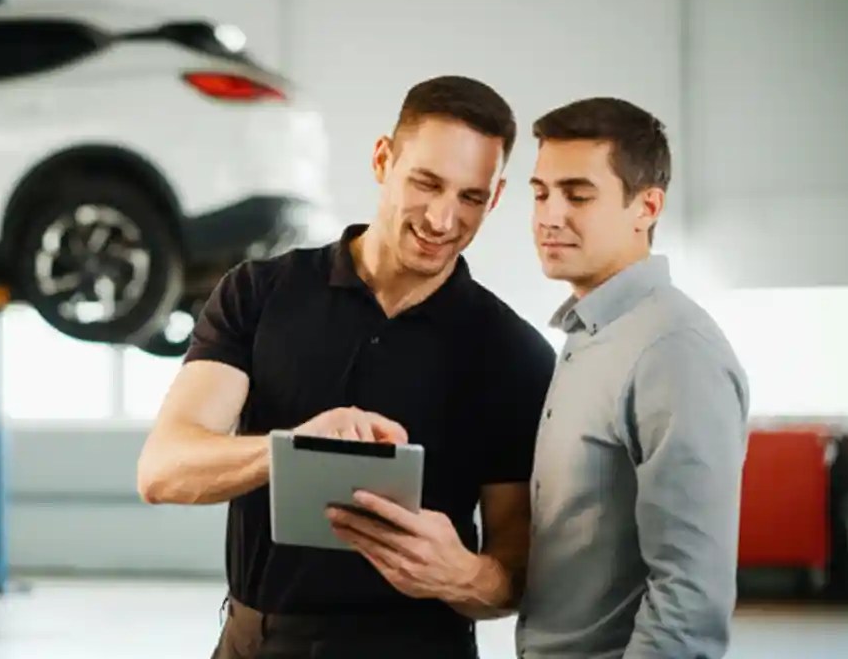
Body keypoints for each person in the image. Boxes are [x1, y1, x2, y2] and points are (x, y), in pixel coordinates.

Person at [136, 75, 557, 659]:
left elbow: (515, 573)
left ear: (497, 195)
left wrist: (463, 575)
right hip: (255, 643)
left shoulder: (512, 352)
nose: (441, 219)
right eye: (426, 183)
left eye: (470, 197)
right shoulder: (259, 294)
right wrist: (295, 448)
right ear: (384, 159)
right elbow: (163, 470)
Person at [515, 97, 750, 659]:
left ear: (646, 206)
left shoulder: (672, 350)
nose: (550, 215)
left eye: (578, 194)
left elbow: (689, 594)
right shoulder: (589, 335)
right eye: (541, 192)